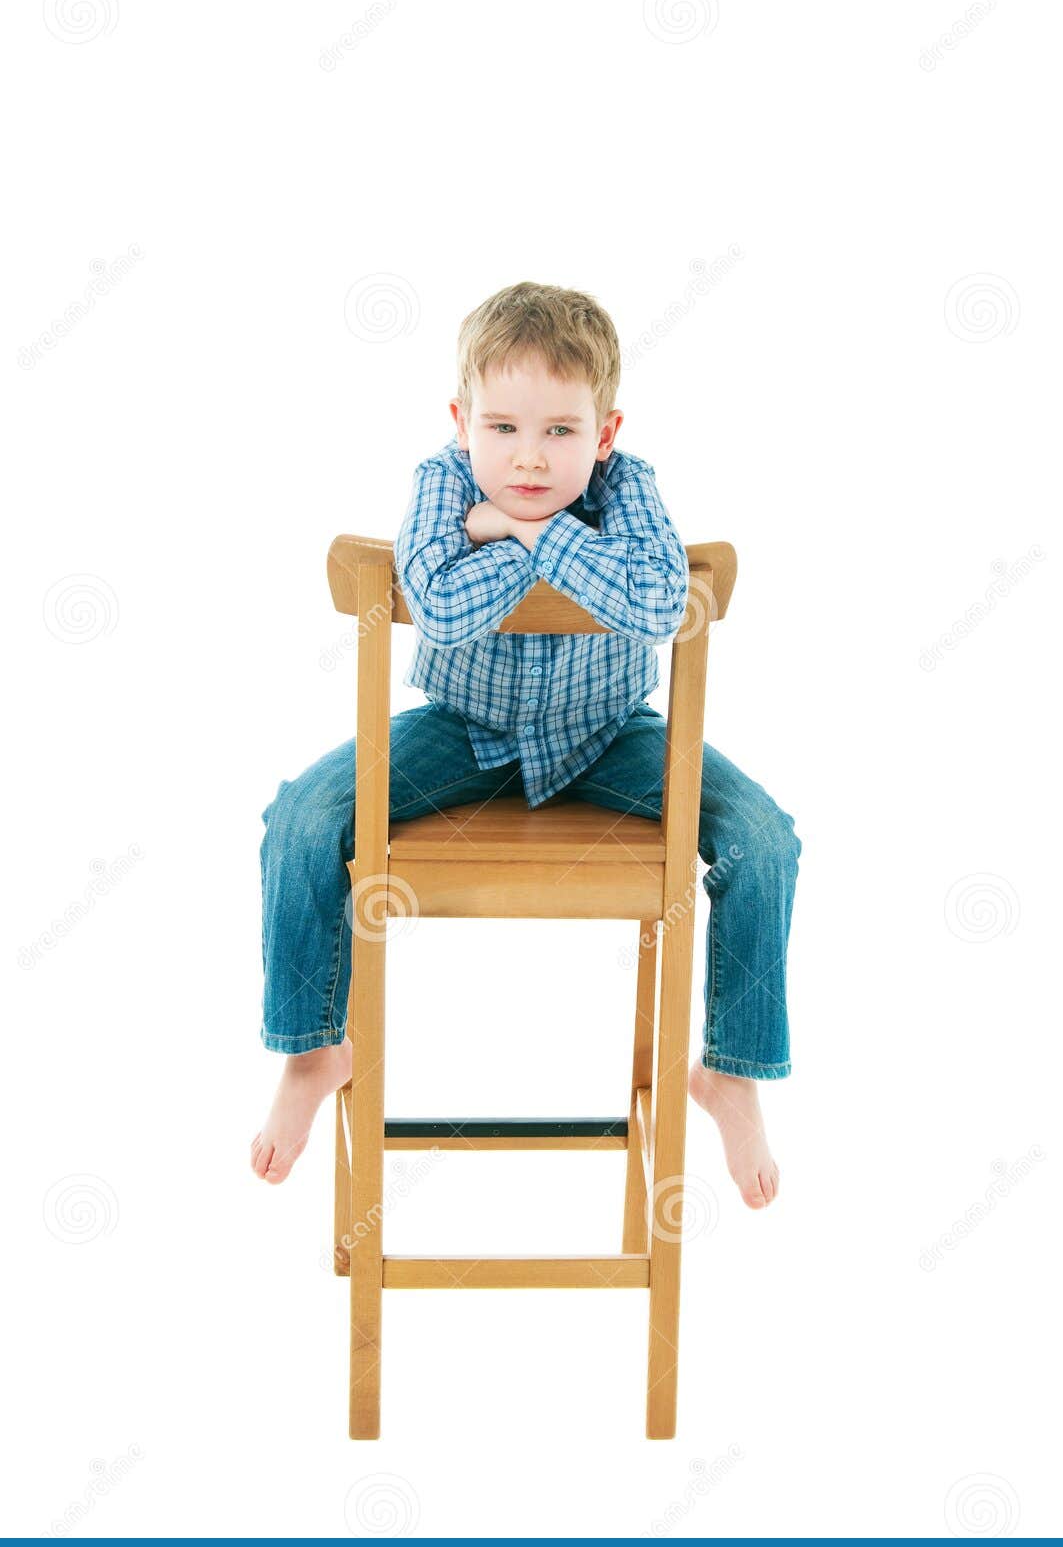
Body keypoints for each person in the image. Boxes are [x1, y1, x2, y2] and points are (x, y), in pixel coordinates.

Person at [252, 281, 801, 1208]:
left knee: (765, 835)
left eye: (560, 432)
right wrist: (526, 533)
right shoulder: (439, 481)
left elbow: (659, 603)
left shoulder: (631, 488)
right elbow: (443, 607)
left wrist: (517, 533)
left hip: (607, 737)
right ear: (461, 421)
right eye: (502, 429)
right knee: (300, 817)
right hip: (464, 734)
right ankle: (313, 1050)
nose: (530, 459)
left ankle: (731, 1071)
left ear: (606, 433)